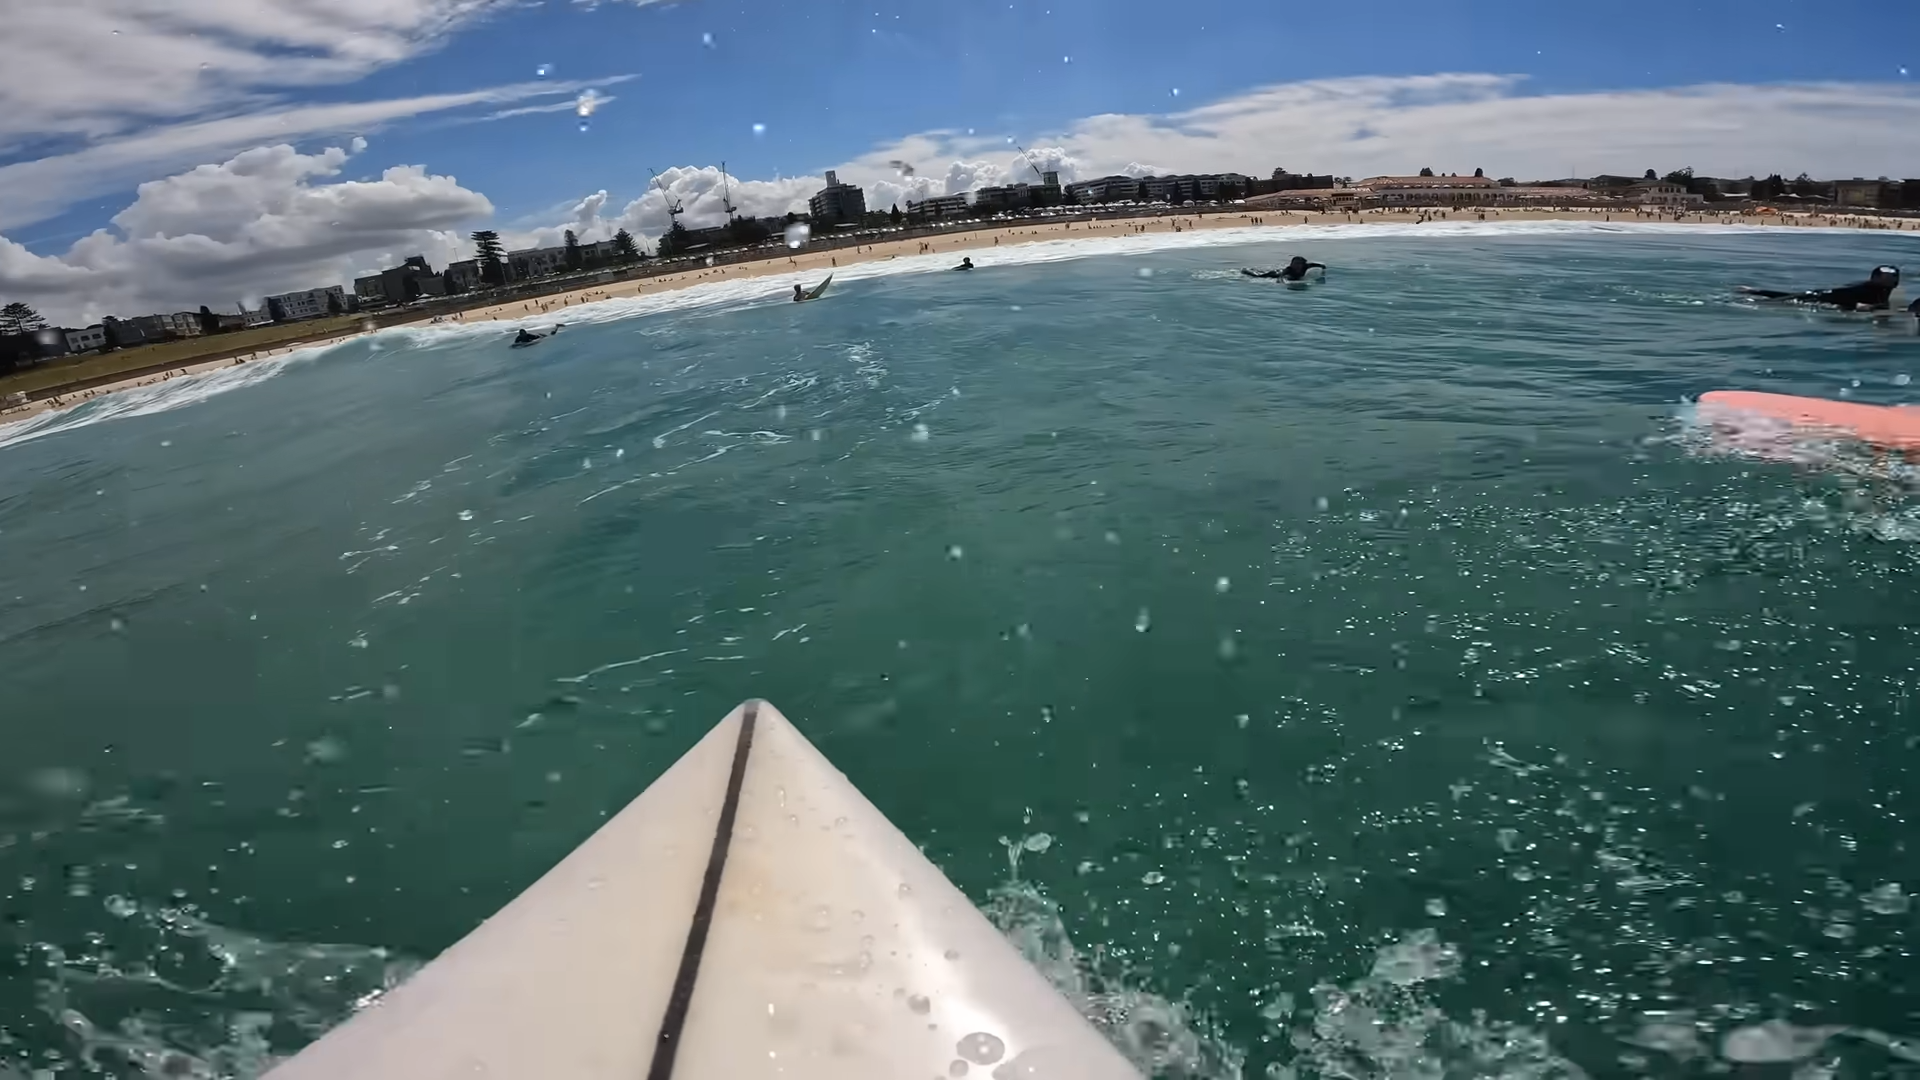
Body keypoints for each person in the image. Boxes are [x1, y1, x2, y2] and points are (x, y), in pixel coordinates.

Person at [1740, 265, 1901, 312]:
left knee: (1790, 296)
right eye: (1884, 278)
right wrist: (1858, 306)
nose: (1889, 281)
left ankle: (1754, 291)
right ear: (1874, 278)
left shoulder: (1882, 289)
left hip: (1827, 295)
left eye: (1892, 278)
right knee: (1786, 300)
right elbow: (1848, 298)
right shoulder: (1870, 289)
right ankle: (1753, 293)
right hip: (1824, 297)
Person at [1242, 255, 1327, 282]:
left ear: (1302, 264)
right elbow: (1281, 276)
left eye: (1298, 264)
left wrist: (1323, 268)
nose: (1296, 266)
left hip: (1281, 273)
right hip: (1276, 273)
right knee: (1259, 276)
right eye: (1294, 264)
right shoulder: (1289, 269)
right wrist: (1281, 280)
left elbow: (1318, 265)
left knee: (1261, 273)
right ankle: (1246, 271)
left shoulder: (1306, 266)